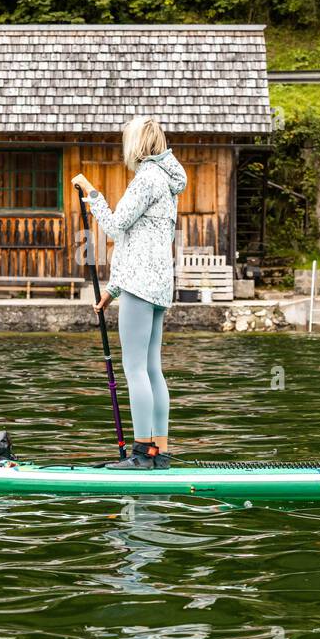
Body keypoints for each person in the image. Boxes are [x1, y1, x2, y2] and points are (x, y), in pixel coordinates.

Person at [72, 116, 187, 470]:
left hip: (140, 286)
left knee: (134, 368)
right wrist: (112, 289)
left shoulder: (146, 180)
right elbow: (140, 243)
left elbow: (116, 226)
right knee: (153, 368)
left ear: (136, 145)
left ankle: (140, 454)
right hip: (156, 286)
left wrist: (92, 194)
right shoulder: (166, 183)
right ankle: (159, 453)